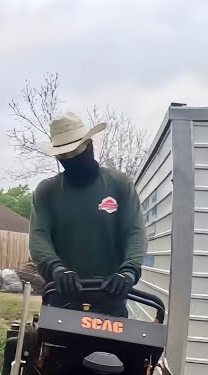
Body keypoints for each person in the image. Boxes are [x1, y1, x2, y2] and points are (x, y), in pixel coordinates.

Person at [28, 112, 147, 318]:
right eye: (64, 156)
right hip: (62, 295)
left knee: (116, 351)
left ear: (89, 145)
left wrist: (128, 271)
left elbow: (134, 233)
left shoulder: (119, 185)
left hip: (110, 294)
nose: (71, 160)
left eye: (75, 152)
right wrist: (56, 269)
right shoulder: (47, 192)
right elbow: (39, 236)